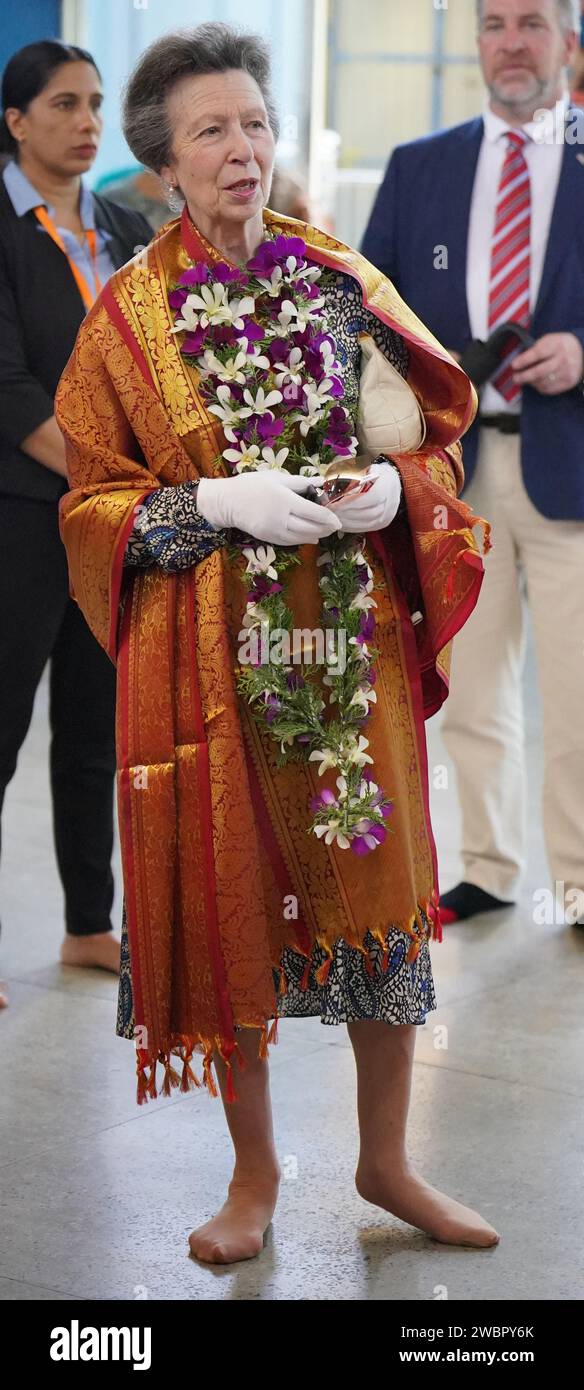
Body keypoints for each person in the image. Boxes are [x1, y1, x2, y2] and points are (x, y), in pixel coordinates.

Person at [55, 22, 498, 1264]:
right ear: (161, 163)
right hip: (207, 666)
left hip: (345, 649)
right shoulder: (127, 320)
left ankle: (387, 1160)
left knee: (374, 887)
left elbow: (434, 430)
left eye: (254, 123)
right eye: (212, 131)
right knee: (227, 893)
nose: (242, 149)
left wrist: (393, 492)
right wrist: (211, 505)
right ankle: (253, 1175)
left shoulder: (335, 274)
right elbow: (91, 501)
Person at [362, 0, 584, 927]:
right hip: (456, 476)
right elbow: (366, 309)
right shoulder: (421, 167)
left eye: (533, 22)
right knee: (475, 687)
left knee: (576, 694)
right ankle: (490, 868)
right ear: (477, 45)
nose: (511, 42)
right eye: (494, 24)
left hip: (573, 469)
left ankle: (576, 883)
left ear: (570, 44)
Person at [0, 40, 153, 1008]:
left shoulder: (130, 227)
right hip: (21, 517)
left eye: (96, 102)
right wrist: (115, 469)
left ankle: (88, 924)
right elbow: (5, 385)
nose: (88, 120)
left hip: (115, 523)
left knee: (97, 730)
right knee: (2, 729)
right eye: (64, 103)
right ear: (16, 121)